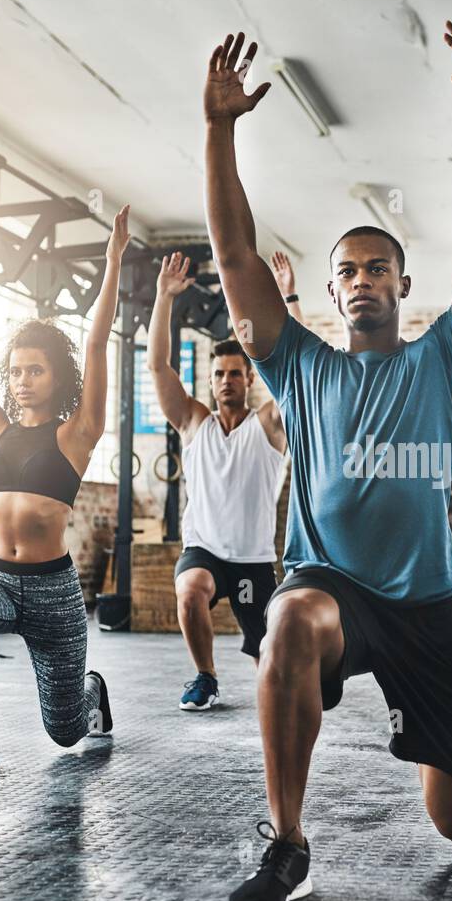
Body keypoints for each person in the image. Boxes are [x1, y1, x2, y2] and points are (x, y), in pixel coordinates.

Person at [203, 19, 452, 901]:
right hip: (333, 588)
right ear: (332, 289)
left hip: (426, 609)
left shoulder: (446, 359)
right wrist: (219, 131)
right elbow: (233, 258)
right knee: (287, 620)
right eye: (346, 270)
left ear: (402, 284)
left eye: (378, 267)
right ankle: (287, 843)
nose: (361, 280)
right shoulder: (300, 366)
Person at [0, 203, 126, 778]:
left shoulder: (77, 434)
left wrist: (113, 261)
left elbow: (97, 345)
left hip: (52, 594)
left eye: (36, 370)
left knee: (65, 733)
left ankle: (91, 693)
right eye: (16, 371)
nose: (22, 380)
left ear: (57, 377)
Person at [146, 251, 288, 710]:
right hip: (204, 550)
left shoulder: (268, 426)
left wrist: (287, 299)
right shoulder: (194, 422)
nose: (227, 381)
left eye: (235, 374)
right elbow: (158, 366)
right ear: (210, 382)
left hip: (253, 561)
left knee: (272, 673)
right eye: (219, 374)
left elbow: (297, 377)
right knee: (190, 590)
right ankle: (205, 677)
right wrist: (164, 297)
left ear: (249, 380)